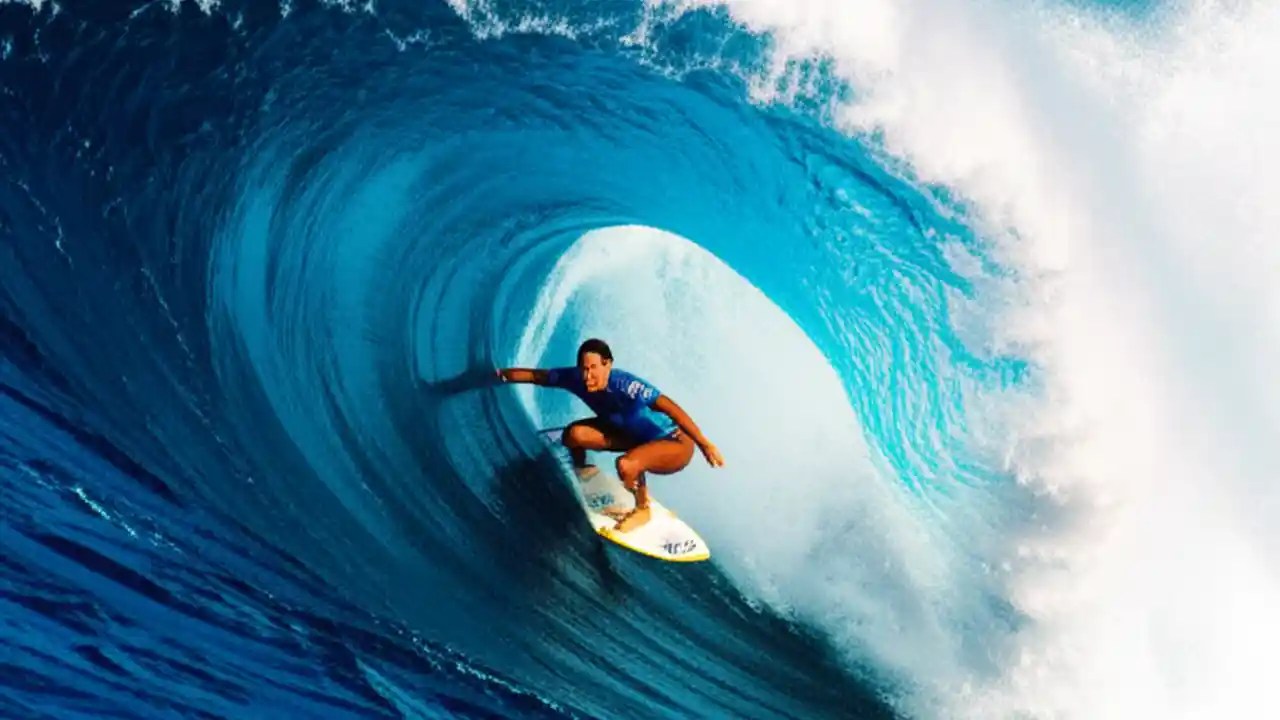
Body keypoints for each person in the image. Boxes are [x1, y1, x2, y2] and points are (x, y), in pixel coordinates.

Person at [495, 338, 724, 532]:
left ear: (608, 365)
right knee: (573, 435)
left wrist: (704, 444)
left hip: (674, 443)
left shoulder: (627, 385)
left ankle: (643, 508)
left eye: (593, 368)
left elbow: (672, 408)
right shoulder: (576, 379)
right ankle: (582, 469)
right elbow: (537, 377)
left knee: (626, 464)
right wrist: (500, 374)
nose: (587, 375)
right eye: (583, 368)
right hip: (629, 436)